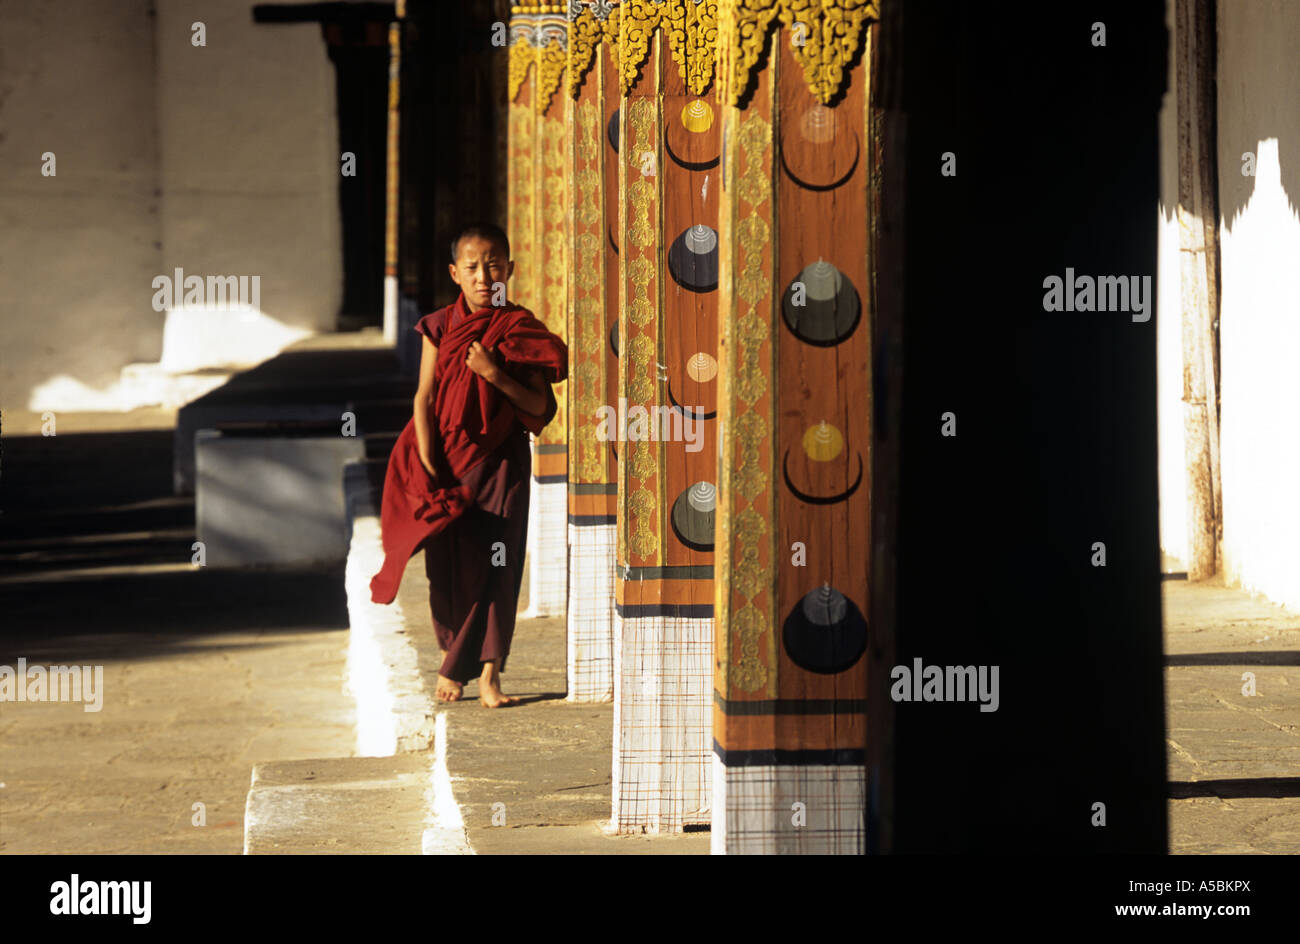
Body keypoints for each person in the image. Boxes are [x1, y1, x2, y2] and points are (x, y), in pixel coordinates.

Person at [369, 222, 567, 707]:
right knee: (449, 567)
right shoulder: (437, 327)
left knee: (497, 567)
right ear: (455, 273)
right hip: (446, 462)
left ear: (511, 270)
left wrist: (493, 373)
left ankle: (487, 674)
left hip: (501, 465)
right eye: (473, 267)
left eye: (494, 265)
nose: (484, 276)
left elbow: (540, 409)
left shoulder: (522, 331)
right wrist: (425, 460)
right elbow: (424, 396)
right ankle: (452, 654)